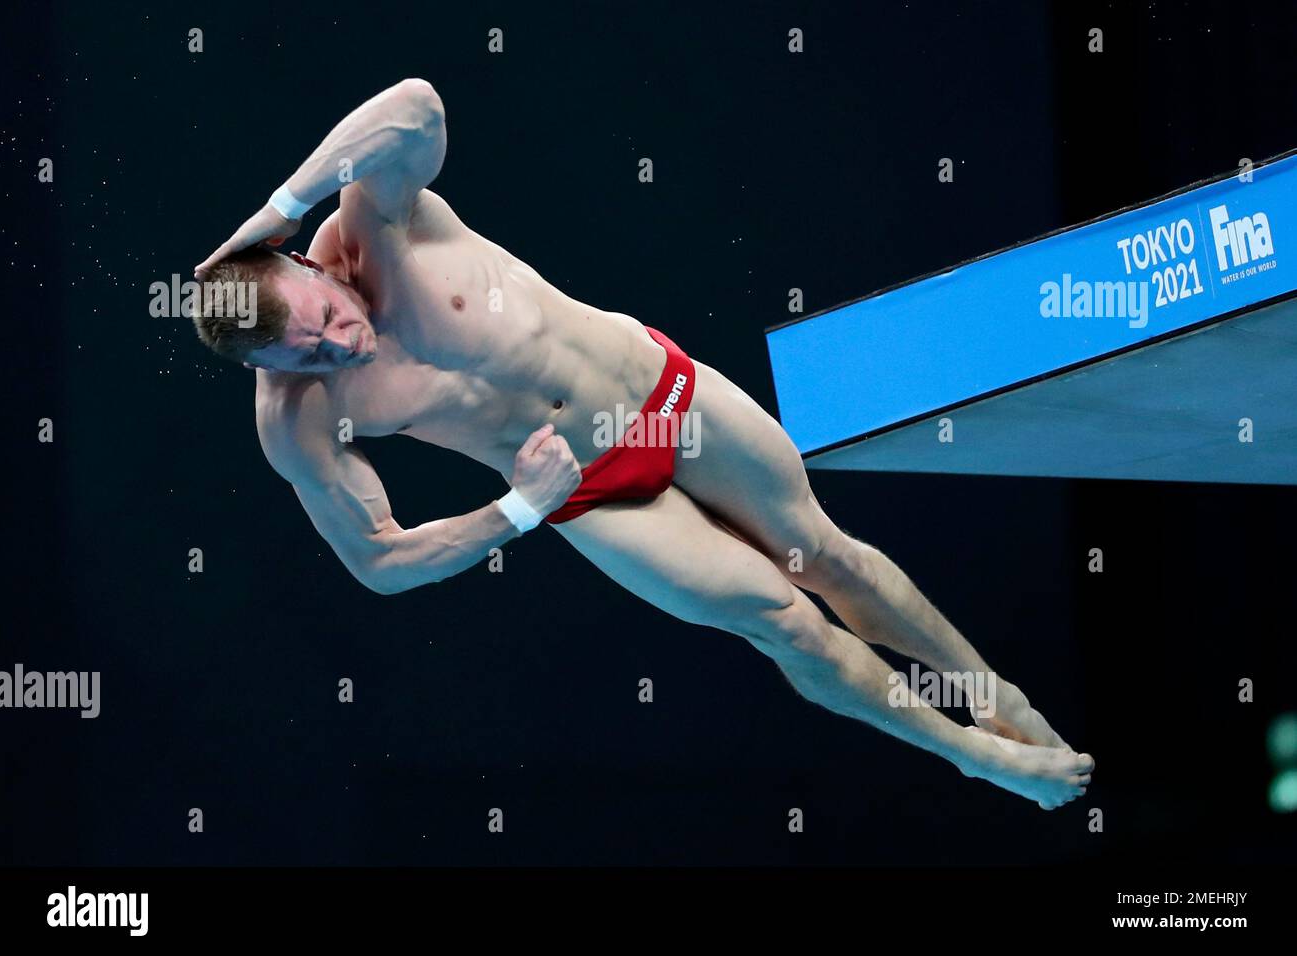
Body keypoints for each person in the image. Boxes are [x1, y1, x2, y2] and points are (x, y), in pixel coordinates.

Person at [192, 79, 1093, 808]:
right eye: (303, 354)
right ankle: (973, 755)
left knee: (823, 555)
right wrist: (516, 510)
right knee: (783, 624)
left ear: (301, 260)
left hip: (662, 392)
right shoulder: (296, 416)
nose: (336, 344)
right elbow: (379, 563)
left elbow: (417, 104)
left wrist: (281, 202)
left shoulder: (372, 222)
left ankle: (988, 692)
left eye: (325, 320)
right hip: (586, 492)